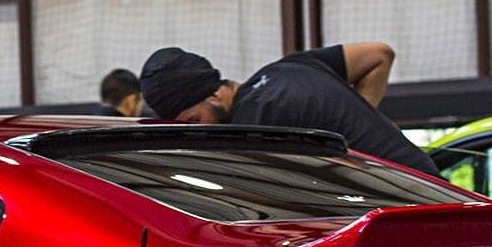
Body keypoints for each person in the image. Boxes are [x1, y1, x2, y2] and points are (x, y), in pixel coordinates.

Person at [139, 42, 440, 178]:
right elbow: (378, 55)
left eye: (195, 120)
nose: (201, 131)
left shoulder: (254, 123)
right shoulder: (290, 68)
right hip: (431, 182)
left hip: (406, 210)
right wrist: (357, 121)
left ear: (214, 95)